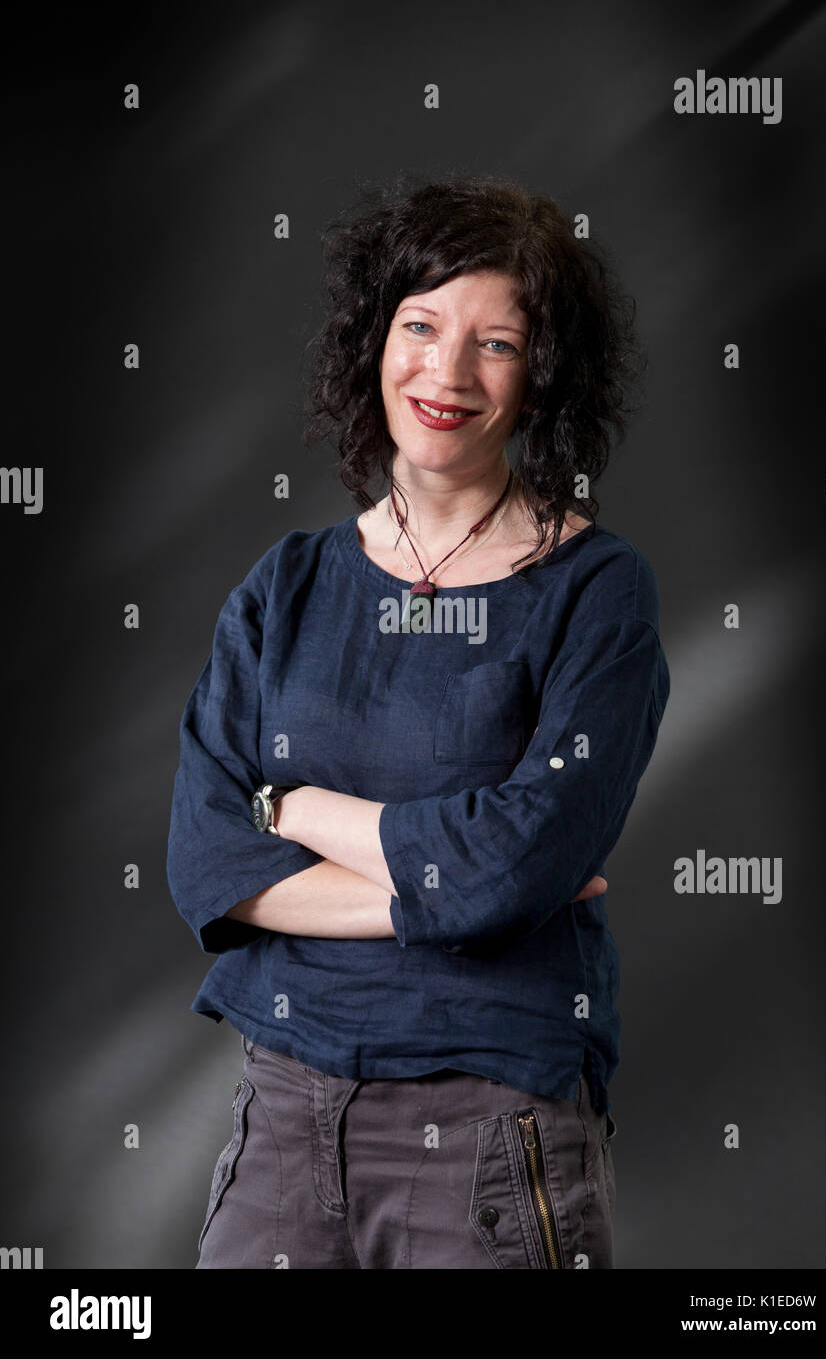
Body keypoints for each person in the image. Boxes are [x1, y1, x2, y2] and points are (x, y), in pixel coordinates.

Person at [166, 172, 670, 1270]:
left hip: (496, 1123)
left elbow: (519, 863)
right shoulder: (283, 587)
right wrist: (462, 890)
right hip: (284, 1112)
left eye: (495, 342)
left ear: (541, 377)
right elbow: (209, 861)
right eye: (421, 325)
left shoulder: (597, 591)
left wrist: (292, 804)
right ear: (372, 344)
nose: (446, 372)